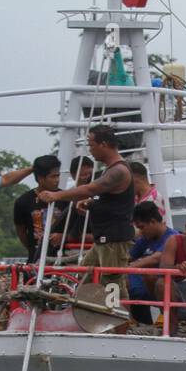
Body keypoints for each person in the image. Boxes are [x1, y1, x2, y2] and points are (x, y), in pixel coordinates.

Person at [37, 125, 134, 302]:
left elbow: (91, 188)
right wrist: (91, 204)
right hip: (105, 238)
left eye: (91, 145)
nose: (90, 150)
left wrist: (57, 195)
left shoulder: (118, 171)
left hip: (113, 238)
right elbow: (109, 199)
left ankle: (119, 328)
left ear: (103, 144)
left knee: (113, 287)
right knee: (86, 275)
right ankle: (93, 319)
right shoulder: (112, 169)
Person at [126, 200, 177, 325]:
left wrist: (127, 268)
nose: (140, 232)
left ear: (153, 222)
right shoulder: (145, 239)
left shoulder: (172, 238)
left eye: (142, 227)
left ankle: (164, 317)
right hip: (137, 294)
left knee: (149, 276)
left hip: (162, 290)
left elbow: (156, 258)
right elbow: (128, 256)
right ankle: (128, 318)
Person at [13, 155, 61, 265]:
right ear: (40, 178)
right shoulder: (23, 202)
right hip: (35, 260)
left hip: (62, 260)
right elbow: (21, 231)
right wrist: (32, 248)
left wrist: (63, 236)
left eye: (58, 176)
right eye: (53, 177)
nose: (57, 180)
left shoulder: (66, 199)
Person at [48, 155, 95, 255]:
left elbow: (105, 234)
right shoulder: (65, 200)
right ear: (73, 175)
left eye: (90, 174)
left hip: (92, 250)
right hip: (66, 253)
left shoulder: (99, 199)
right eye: (83, 175)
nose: (87, 178)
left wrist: (64, 237)